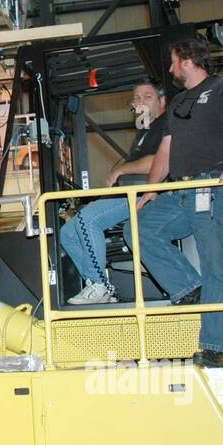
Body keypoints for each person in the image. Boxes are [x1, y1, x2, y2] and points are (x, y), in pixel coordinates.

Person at [126, 37, 223, 368]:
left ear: (186, 60)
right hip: (180, 192)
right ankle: (189, 289)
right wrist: (152, 188)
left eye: (172, 61)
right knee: (137, 230)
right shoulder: (179, 102)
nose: (169, 68)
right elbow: (165, 150)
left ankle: (214, 348)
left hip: (214, 188)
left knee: (217, 268)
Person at [61, 79, 167, 304]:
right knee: (68, 232)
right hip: (128, 192)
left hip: (147, 193)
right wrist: (100, 200)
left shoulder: (164, 126)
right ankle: (99, 285)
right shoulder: (144, 133)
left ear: (162, 101)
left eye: (147, 97)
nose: (141, 102)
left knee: (87, 221)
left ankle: (99, 286)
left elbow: (156, 162)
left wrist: (120, 169)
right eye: (136, 98)